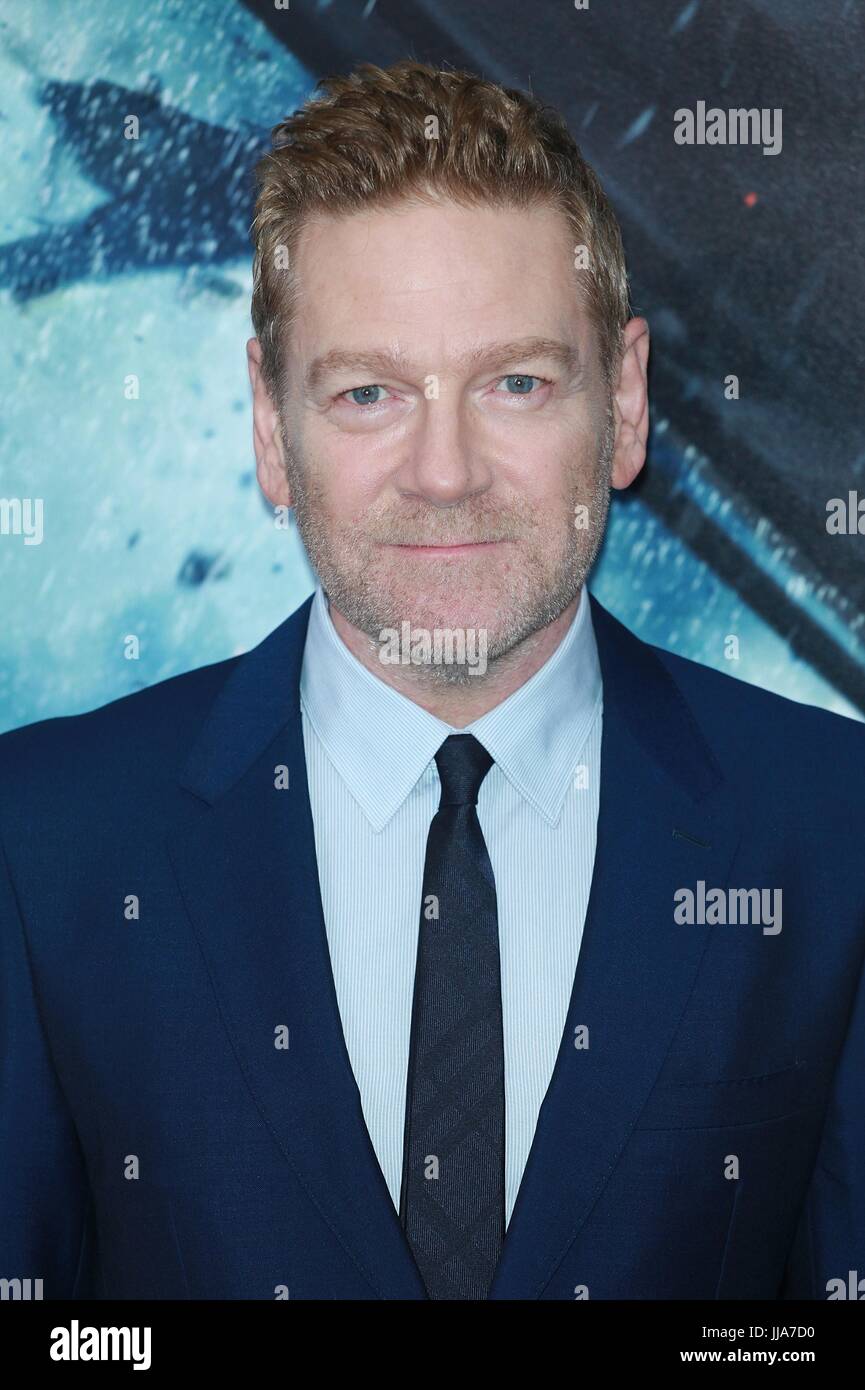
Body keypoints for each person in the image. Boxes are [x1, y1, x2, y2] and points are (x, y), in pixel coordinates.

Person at [1, 60, 863, 1302]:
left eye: (515, 383)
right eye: (367, 394)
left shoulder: (833, 830)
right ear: (268, 427)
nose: (445, 471)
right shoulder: (46, 843)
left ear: (621, 404)